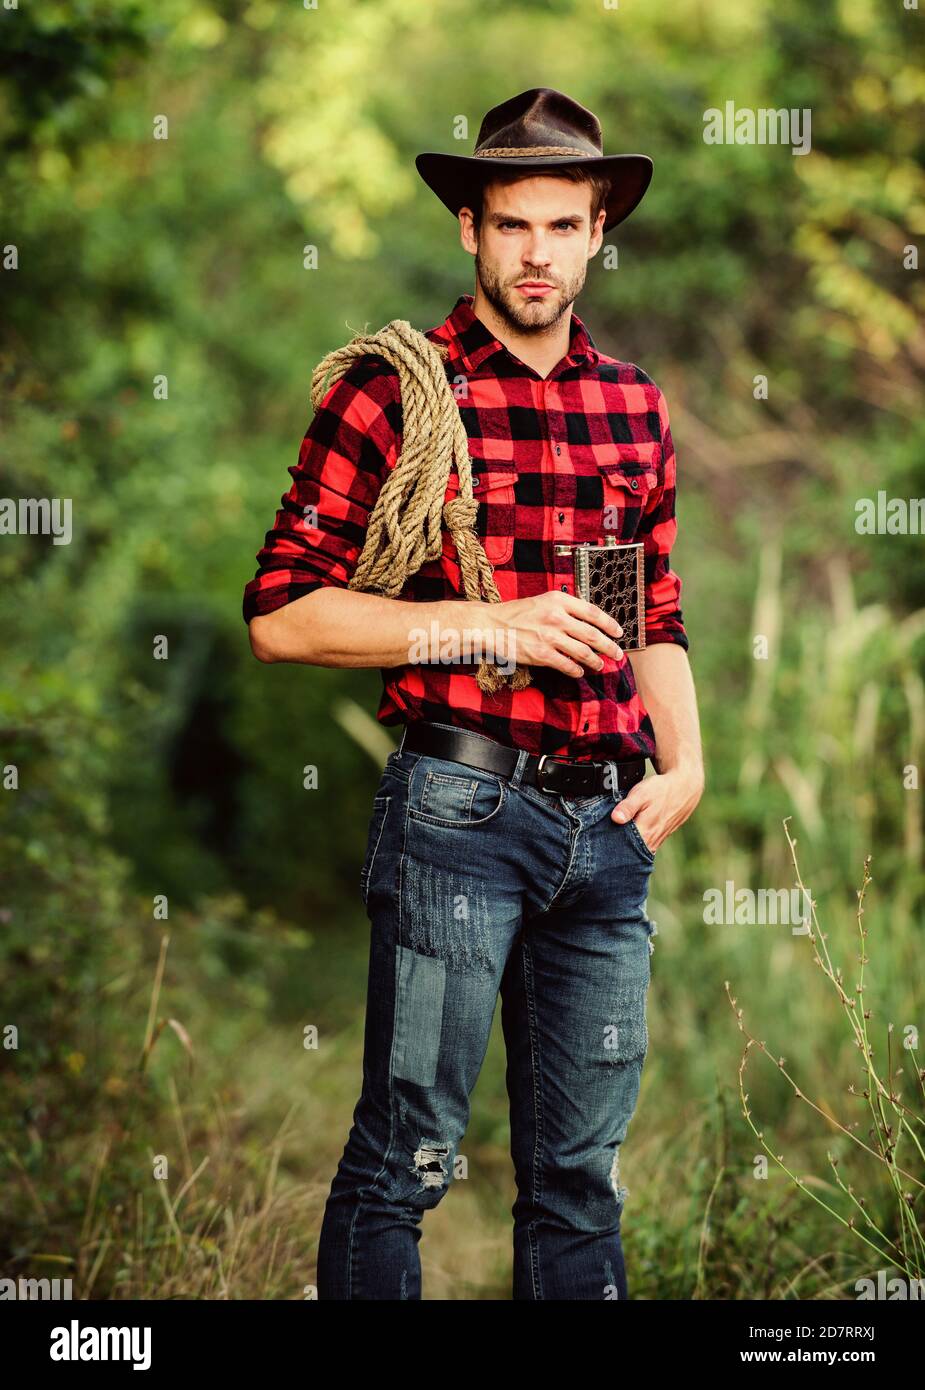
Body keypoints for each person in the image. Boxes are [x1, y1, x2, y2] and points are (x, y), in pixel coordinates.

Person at [242, 87, 704, 1300]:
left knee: (580, 1180)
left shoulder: (634, 404)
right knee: (408, 1159)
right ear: (469, 228)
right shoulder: (399, 390)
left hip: (608, 831)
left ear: (600, 228)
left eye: (562, 225)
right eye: (512, 225)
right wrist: (482, 622)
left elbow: (652, 610)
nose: (537, 252)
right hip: (460, 804)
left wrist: (689, 761)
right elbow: (281, 615)